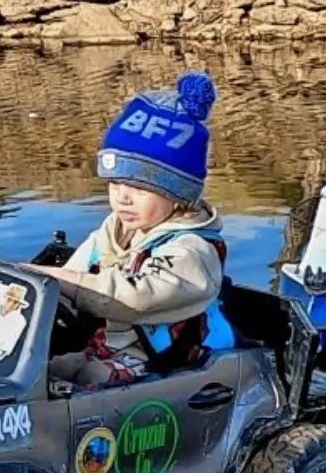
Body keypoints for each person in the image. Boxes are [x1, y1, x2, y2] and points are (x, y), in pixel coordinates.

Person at [31, 71, 233, 386]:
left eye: (138, 188)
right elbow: (70, 283)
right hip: (108, 346)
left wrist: (55, 276)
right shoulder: (115, 232)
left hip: (168, 362)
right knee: (46, 372)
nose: (122, 198)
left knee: (89, 381)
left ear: (176, 194)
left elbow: (133, 298)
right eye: (115, 184)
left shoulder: (192, 251)